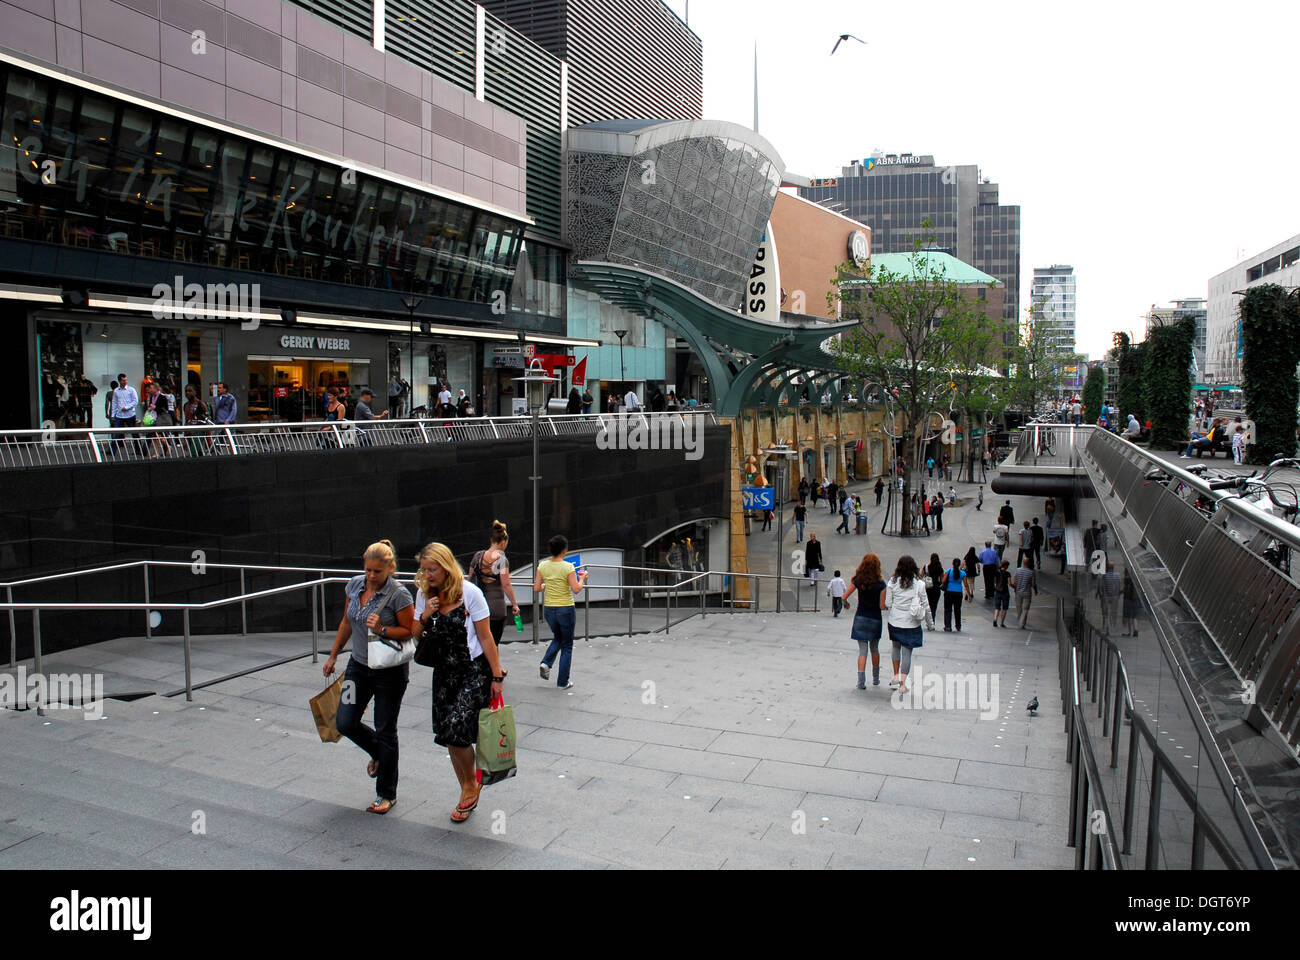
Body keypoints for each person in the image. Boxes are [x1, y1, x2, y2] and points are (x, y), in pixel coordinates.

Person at [412, 541, 505, 823]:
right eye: (424, 569)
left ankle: (470, 785)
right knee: (448, 734)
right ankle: (467, 784)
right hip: (443, 671)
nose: (428, 575)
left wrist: (497, 675)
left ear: (446, 566)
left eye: (433, 569)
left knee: (456, 729)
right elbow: (416, 634)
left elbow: (486, 637)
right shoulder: (424, 594)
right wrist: (427, 614)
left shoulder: (470, 593)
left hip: (472, 670)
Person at [323, 540, 416, 815]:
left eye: (377, 571)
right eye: (368, 570)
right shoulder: (354, 585)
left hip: (389, 672)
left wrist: (384, 629)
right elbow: (346, 622)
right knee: (345, 721)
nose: (371, 576)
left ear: (389, 568)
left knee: (386, 729)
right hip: (358, 666)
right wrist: (333, 655)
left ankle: (387, 794)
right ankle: (380, 753)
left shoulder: (399, 594)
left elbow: (410, 631)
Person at [535, 535, 588, 689]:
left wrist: (547, 586)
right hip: (565, 608)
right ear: (564, 550)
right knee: (567, 645)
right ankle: (562, 682)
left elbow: (536, 588)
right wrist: (583, 578)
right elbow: (576, 589)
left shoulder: (542, 566)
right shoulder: (568, 567)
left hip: (549, 609)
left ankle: (546, 663)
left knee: (558, 637)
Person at [467, 520, 521, 647]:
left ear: (491, 540)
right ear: (503, 542)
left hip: (478, 605)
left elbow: (470, 580)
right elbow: (506, 584)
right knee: (493, 643)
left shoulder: (478, 556)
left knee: (480, 643)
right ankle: (493, 667)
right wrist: (514, 604)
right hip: (496, 609)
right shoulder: (501, 560)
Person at [884, 555, 931, 693]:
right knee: (907, 653)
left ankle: (895, 678)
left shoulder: (892, 582)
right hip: (911, 623)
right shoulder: (919, 584)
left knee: (895, 648)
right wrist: (930, 623)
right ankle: (903, 683)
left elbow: (887, 604)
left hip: (894, 621)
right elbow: (926, 606)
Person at [842, 553, 886, 688]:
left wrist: (846, 603)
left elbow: (844, 596)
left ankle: (861, 681)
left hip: (860, 617)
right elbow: (882, 606)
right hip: (875, 619)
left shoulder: (858, 580)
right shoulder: (881, 584)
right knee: (875, 649)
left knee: (862, 651)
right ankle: (876, 679)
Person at [142, 380, 174, 458]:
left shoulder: (162, 396)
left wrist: (155, 407)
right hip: (153, 418)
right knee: (154, 435)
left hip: (161, 419)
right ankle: (158, 451)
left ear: (154, 388)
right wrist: (150, 408)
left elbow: (165, 408)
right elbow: (150, 406)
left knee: (158, 434)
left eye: (150, 389)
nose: (149, 391)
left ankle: (167, 446)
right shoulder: (151, 397)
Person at [1097, 561, 1123, 633]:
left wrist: (1100, 594)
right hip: (1115, 598)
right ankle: (1112, 627)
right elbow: (1120, 587)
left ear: (1107, 568)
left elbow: (1101, 587)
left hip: (1105, 597)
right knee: (1113, 612)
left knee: (1105, 613)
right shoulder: (1117, 576)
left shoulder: (1104, 576)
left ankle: (1105, 626)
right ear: (1113, 568)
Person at [1014, 556, 1039, 629]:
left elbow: (1015, 581)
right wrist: (1035, 591)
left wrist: (1015, 589)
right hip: (1027, 593)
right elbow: (1033, 584)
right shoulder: (1031, 572)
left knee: (1018, 607)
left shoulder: (1018, 570)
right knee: (1025, 609)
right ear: (1028, 564)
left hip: (1018, 592)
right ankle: (1022, 623)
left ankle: (1020, 620)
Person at [941, 556, 966, 631]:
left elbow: (943, 580)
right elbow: (966, 584)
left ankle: (948, 626)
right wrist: (969, 594)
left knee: (948, 609)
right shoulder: (962, 573)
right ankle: (958, 626)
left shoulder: (949, 571)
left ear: (952, 564)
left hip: (949, 592)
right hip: (958, 593)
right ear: (959, 565)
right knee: (957, 610)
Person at [924, 552, 944, 621]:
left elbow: (921, 576)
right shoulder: (940, 569)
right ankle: (932, 620)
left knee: (928, 604)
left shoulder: (926, 567)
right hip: (936, 589)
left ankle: (928, 620)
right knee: (934, 606)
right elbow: (942, 579)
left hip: (928, 588)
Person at [1121, 568, 1141, 636]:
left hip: (1128, 599)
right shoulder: (1137, 579)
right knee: (1135, 616)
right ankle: (1136, 630)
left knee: (1129, 616)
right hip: (1136, 599)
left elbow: (1122, 589)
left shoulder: (1126, 579)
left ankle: (1130, 632)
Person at [992, 560, 1012, 627]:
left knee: (997, 607)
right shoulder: (1008, 573)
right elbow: (1009, 583)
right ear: (1006, 566)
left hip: (998, 591)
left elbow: (994, 581)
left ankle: (995, 619)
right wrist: (1014, 587)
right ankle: (1002, 623)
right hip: (1005, 592)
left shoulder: (996, 572)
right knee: (1004, 608)